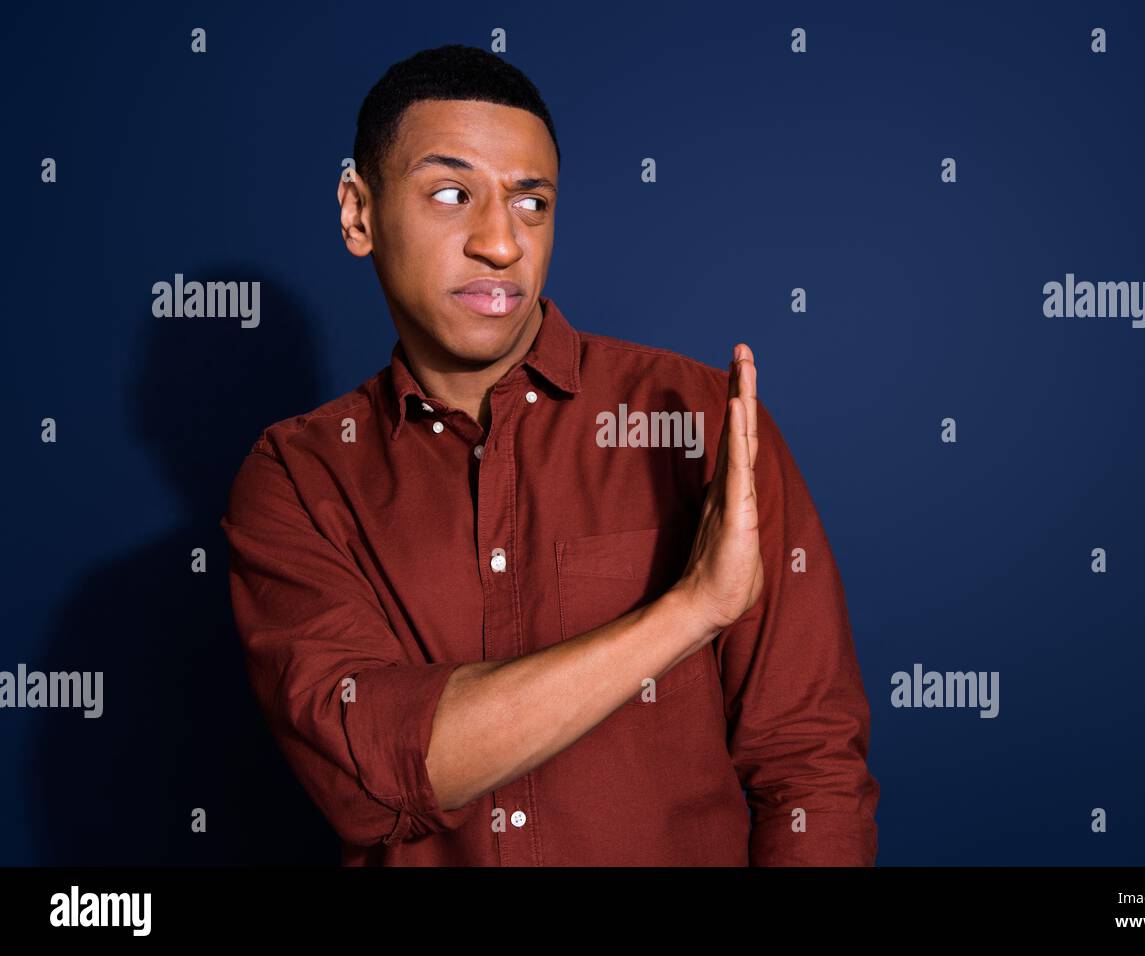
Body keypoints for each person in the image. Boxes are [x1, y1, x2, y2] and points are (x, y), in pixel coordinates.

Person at [219, 44, 880, 866]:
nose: (500, 243)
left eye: (531, 203)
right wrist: (690, 609)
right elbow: (374, 775)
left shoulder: (705, 420)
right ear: (359, 213)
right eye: (452, 194)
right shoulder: (297, 477)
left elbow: (810, 770)